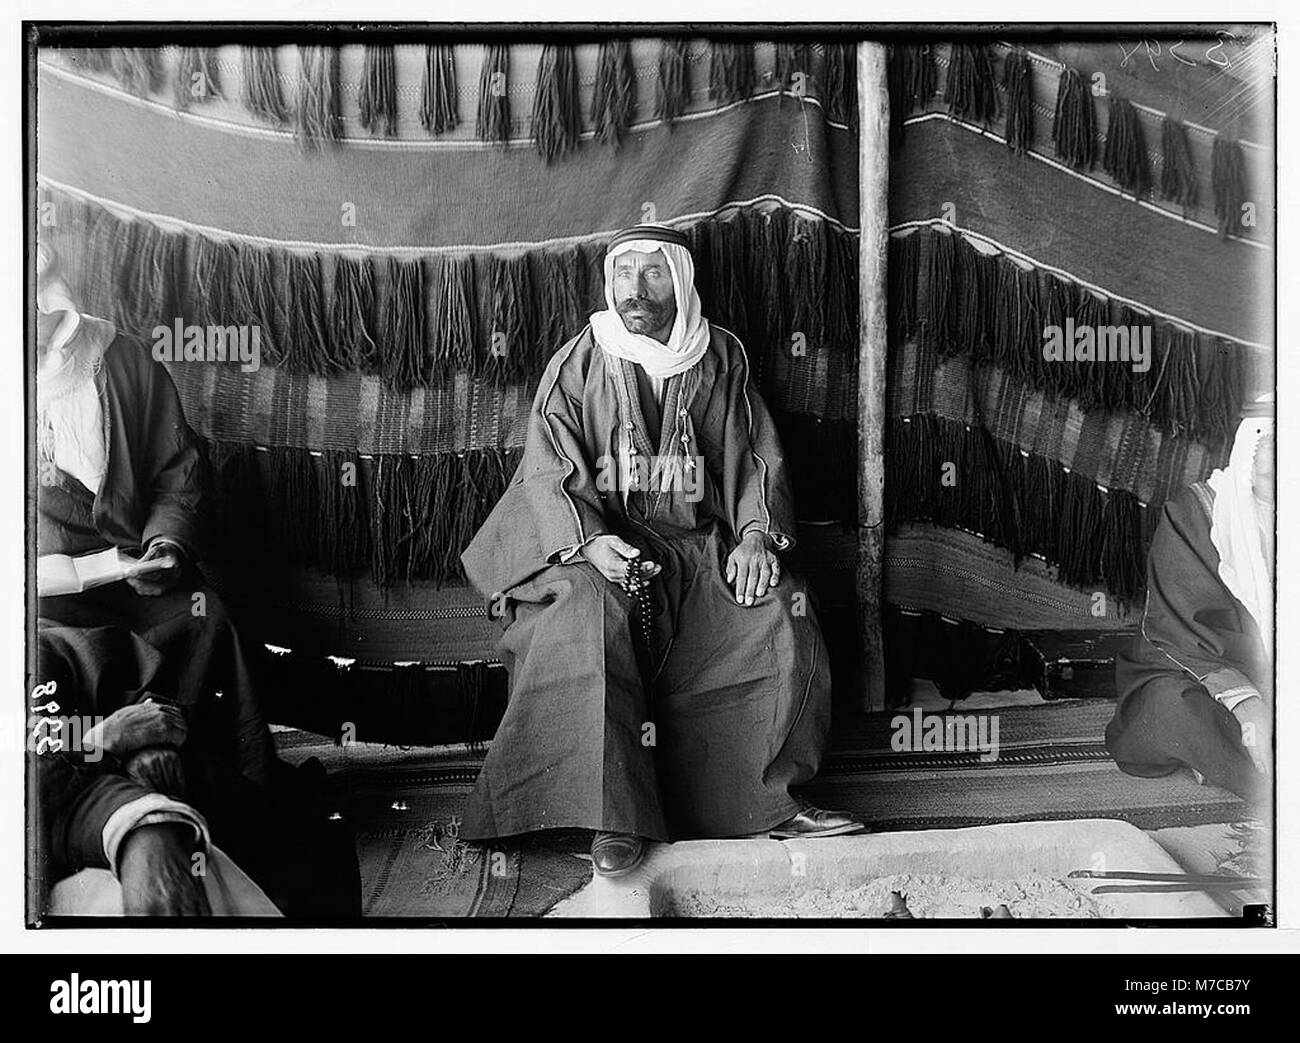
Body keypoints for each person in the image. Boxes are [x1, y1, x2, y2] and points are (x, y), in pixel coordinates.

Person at [459, 223, 862, 876]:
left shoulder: (719, 356)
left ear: (679, 280)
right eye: (623, 274)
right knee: (590, 621)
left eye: (651, 274)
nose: (634, 290)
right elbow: (547, 466)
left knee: (777, 606)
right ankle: (612, 819)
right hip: (590, 546)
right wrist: (590, 542)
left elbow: (756, 454)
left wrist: (756, 535)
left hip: (696, 546)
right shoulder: (580, 360)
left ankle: (767, 801)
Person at [32, 242, 359, 917]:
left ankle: (240, 798)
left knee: (206, 616)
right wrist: (87, 571)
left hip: (139, 569)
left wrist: (165, 543)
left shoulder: (120, 359)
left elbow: (180, 465)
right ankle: (116, 769)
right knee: (53, 663)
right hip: (46, 601)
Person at [1105, 401, 1273, 806]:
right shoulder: (1197, 510)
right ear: (1251, 448)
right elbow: (1177, 629)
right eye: (1272, 441)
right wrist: (1247, 704)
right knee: (1171, 710)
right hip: (1204, 670)